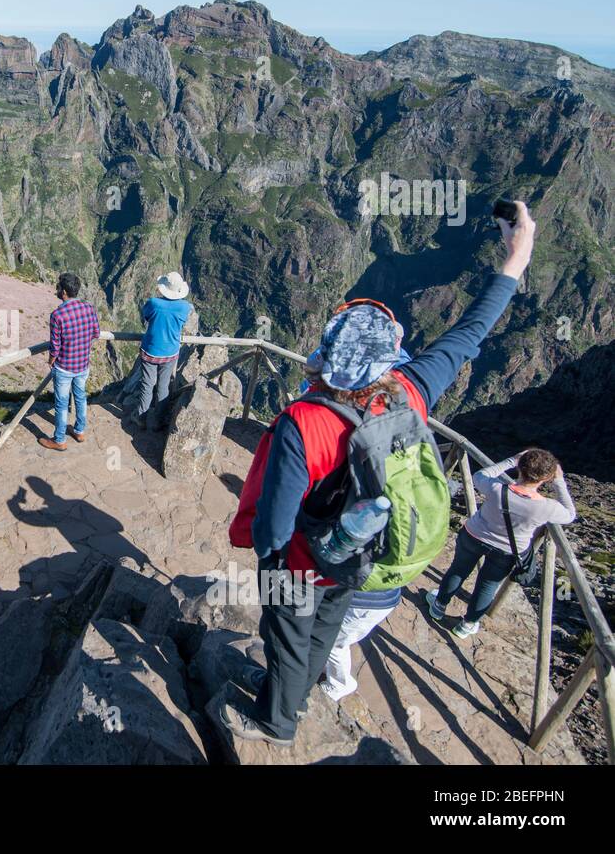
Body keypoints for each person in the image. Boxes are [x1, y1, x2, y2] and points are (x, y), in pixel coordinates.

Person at [221, 200, 537, 746]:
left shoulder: (305, 422)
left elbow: (275, 525)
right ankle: (288, 689)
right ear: (387, 359)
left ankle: (275, 721)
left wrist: (272, 562)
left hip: (303, 562)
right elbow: (469, 335)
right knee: (320, 634)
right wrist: (516, 258)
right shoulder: (409, 391)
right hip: (361, 558)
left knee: (289, 632)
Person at [426, 448, 576, 638]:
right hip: (507, 552)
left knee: (458, 570)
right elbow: (570, 514)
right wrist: (559, 481)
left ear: (520, 468)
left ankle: (439, 606)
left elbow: (481, 475)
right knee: (487, 586)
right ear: (546, 478)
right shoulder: (547, 508)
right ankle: (468, 624)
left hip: (474, 536)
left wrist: (511, 460)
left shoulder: (497, 488)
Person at [40, 272, 101, 452]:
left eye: (59, 287)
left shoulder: (57, 315)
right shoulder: (89, 308)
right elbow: (96, 333)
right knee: (81, 398)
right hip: (82, 364)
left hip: (65, 367)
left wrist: (51, 360)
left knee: (61, 403)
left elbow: (55, 346)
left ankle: (59, 440)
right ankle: (80, 431)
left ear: (64, 292)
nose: (57, 289)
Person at [129, 271, 193, 431]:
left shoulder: (154, 303)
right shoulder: (185, 307)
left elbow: (146, 316)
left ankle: (141, 417)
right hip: (170, 353)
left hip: (151, 350)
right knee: (163, 386)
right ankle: (159, 421)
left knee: (147, 384)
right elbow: (184, 319)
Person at [319, 587, 400, 700]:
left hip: (363, 603)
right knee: (336, 638)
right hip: (384, 597)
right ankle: (327, 664)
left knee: (332, 641)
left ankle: (341, 684)